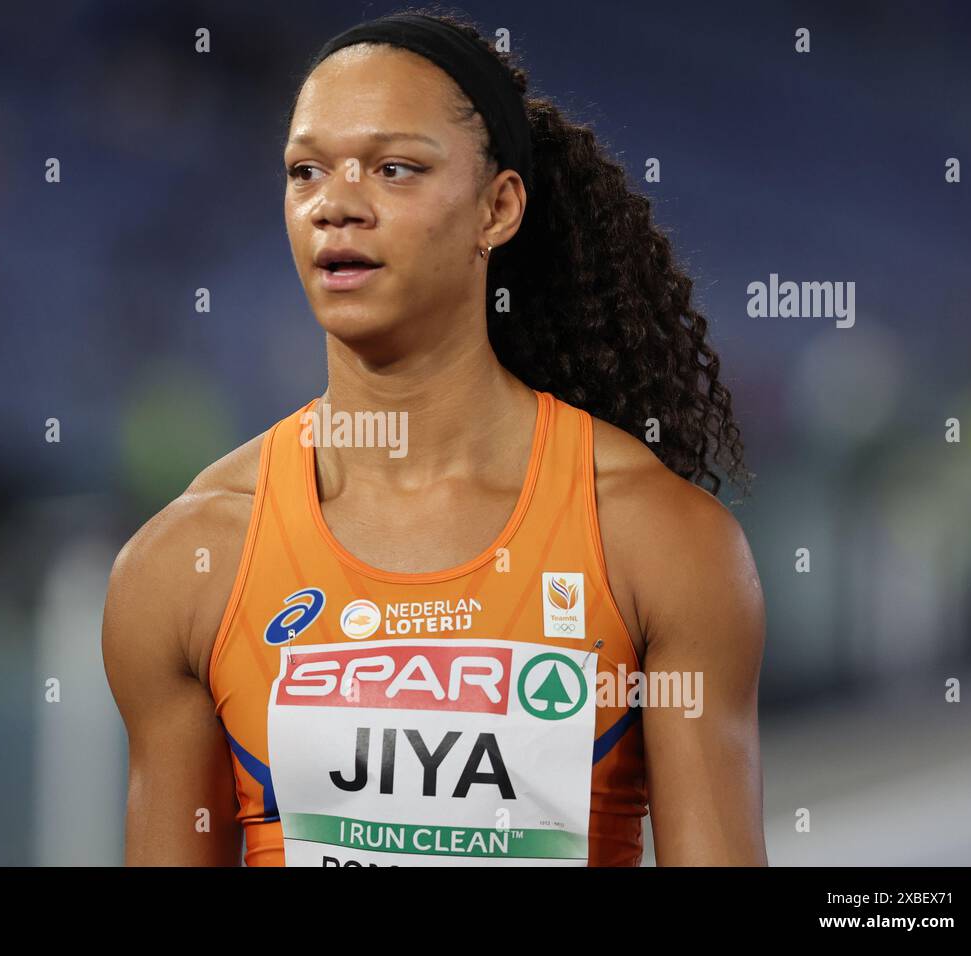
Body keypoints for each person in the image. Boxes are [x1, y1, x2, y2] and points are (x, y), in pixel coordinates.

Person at [103, 9, 767, 866]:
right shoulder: (187, 563)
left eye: (395, 168)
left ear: (498, 208)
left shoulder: (658, 539)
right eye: (305, 170)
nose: (336, 205)